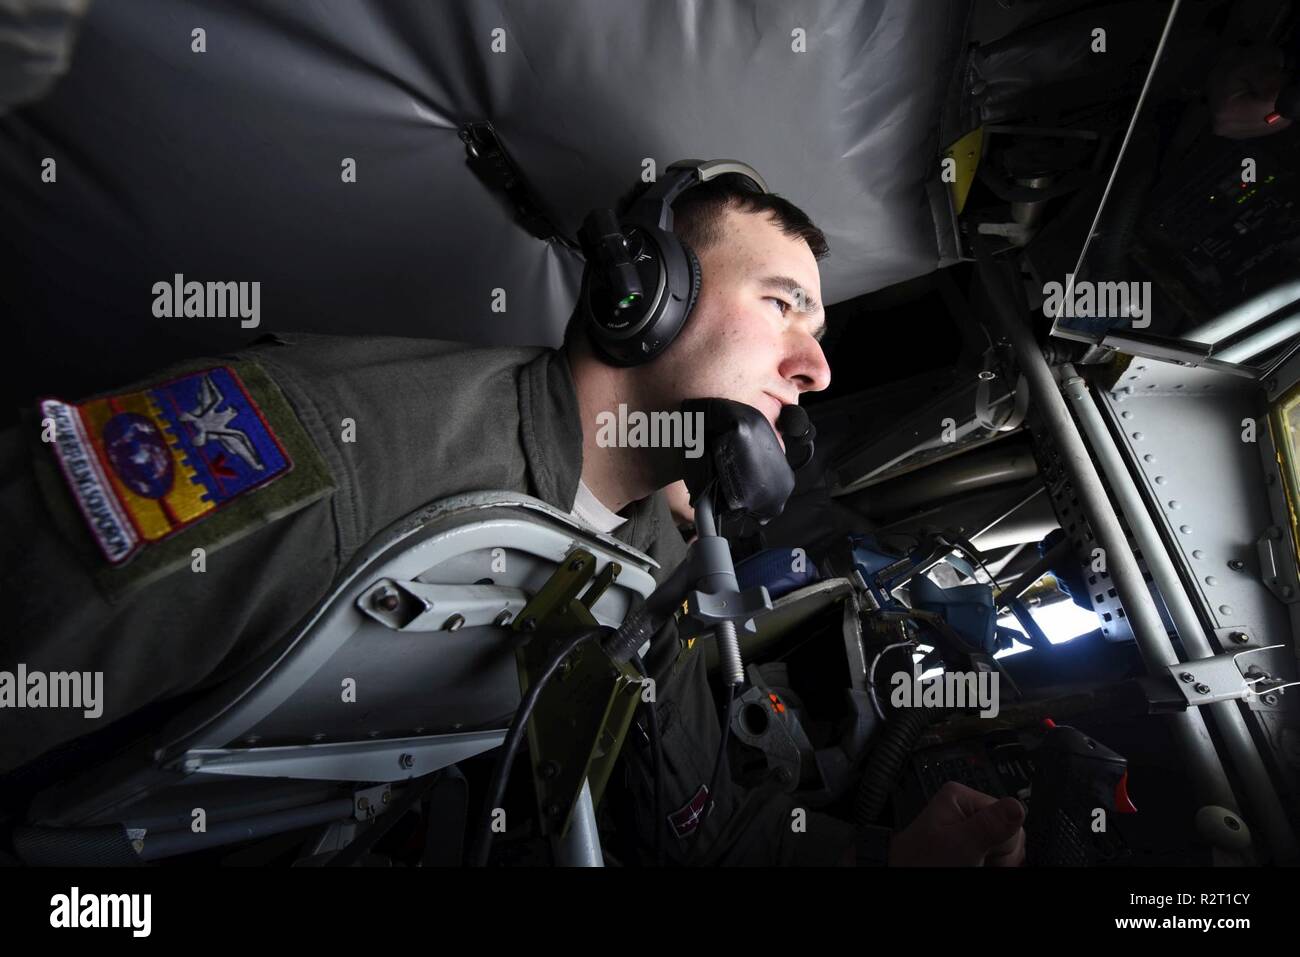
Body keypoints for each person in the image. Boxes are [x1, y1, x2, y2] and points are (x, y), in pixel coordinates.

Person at [0, 160, 1024, 866]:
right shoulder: (319, 443)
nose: (818, 367)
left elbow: (694, 824)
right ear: (642, 297)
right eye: (781, 303)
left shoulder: (653, 554)